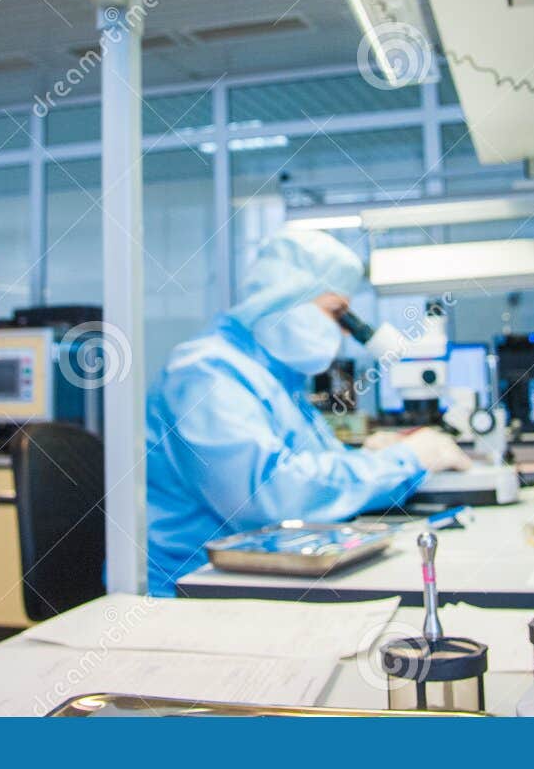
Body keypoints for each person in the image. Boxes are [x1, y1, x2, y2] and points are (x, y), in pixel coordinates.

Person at [144, 230, 471, 596]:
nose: (344, 334)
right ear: (284, 298)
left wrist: (369, 455)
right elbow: (274, 495)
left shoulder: (278, 379)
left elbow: (314, 466)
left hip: (264, 579)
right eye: (336, 313)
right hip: (190, 595)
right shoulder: (204, 374)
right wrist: (405, 460)